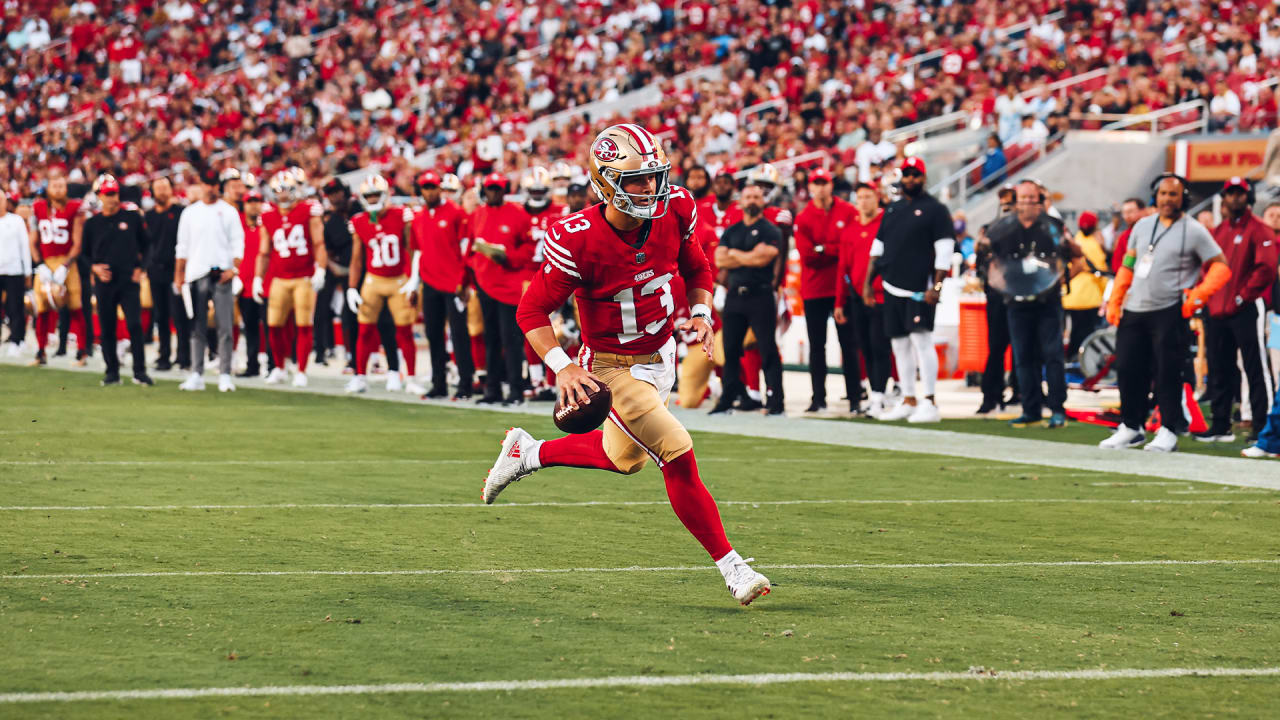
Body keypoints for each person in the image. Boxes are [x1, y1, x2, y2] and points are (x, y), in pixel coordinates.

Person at [487, 123, 772, 606]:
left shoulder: (676, 206)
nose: (650, 187)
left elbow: (697, 265)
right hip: (610, 365)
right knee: (675, 450)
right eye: (636, 179)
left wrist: (702, 312)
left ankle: (528, 453)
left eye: (654, 176)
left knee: (626, 459)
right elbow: (531, 311)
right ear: (605, 183)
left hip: (661, 353)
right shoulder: (576, 237)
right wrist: (563, 367)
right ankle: (733, 567)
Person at [1100, 174, 1231, 452]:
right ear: (1154, 196)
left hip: (1169, 309)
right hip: (1135, 308)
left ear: (1184, 198)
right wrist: (1116, 299)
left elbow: (1220, 266)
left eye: (1173, 194)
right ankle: (1131, 427)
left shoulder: (1194, 230)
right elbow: (1129, 264)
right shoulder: (1142, 225)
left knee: (1167, 371)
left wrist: (1198, 296)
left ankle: (1169, 429)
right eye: (1163, 194)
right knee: (1127, 368)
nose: (1167, 199)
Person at [864, 157, 954, 423]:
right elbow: (878, 247)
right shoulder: (894, 208)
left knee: (922, 342)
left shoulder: (936, 209)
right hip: (892, 286)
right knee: (899, 344)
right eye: (906, 174)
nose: (910, 179)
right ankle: (908, 398)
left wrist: (937, 286)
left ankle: (930, 401)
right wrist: (868, 283)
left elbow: (944, 250)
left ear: (923, 178)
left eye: (915, 174)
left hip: (919, 289)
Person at [983, 180, 1077, 428]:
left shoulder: (1053, 227)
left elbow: (1075, 257)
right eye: (1022, 199)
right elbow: (990, 261)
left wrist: (1058, 280)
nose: (1026, 204)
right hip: (1015, 301)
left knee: (1053, 354)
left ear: (1040, 201)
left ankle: (1057, 408)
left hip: (1048, 300)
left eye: (1031, 199)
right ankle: (1030, 409)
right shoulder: (1002, 228)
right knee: (1023, 357)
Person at [1197, 177, 1277, 443]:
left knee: (1255, 368)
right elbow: (1206, 267)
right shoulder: (1218, 232)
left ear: (1249, 197)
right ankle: (1220, 425)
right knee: (1219, 367)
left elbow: (1266, 268)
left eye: (1239, 193)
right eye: (1230, 194)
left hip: (1247, 309)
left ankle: (1262, 427)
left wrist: (1243, 297)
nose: (1234, 198)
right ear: (1223, 198)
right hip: (1218, 310)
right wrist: (1208, 297)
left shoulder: (1259, 229)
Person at [710, 182, 786, 415]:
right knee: (730, 349)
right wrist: (749, 255)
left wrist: (735, 254)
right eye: (748, 197)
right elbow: (720, 259)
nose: (752, 200)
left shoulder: (770, 230)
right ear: (741, 201)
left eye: (756, 196)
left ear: (763, 201)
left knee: (767, 348)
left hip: (760, 294)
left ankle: (776, 402)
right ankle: (728, 399)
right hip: (735, 295)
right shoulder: (732, 230)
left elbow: (763, 258)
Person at [344, 174, 419, 394]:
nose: (373, 199)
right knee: (365, 330)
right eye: (369, 195)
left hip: (398, 280)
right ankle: (360, 376)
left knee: (404, 331)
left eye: (376, 194)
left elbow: (412, 249)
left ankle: (410, 378)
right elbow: (356, 259)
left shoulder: (401, 215)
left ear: (385, 194)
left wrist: (413, 278)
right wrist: (351, 287)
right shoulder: (359, 221)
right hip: (373, 280)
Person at [256, 169, 328, 388]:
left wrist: (321, 268)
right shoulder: (268, 215)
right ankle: (279, 367)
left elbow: (318, 243)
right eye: (278, 191)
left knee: (304, 325)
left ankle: (301, 370)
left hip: (303, 277)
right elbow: (264, 251)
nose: (283, 195)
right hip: (279, 278)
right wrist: (258, 277)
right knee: (274, 325)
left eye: (286, 190)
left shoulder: (308, 209)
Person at [175, 167, 245, 392]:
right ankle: (196, 373)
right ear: (201, 184)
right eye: (207, 183)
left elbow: (238, 243)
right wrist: (179, 274)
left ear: (218, 186)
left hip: (222, 273)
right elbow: (182, 246)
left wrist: (234, 269)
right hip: (196, 273)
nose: (210, 188)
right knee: (197, 326)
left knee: (225, 326)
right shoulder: (190, 213)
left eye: (214, 184)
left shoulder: (228, 211)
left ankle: (225, 373)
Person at [794, 167, 858, 412]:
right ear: (810, 187)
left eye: (824, 183)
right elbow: (808, 256)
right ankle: (818, 398)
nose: (821, 188)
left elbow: (851, 247)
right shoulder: (804, 217)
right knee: (817, 346)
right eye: (817, 183)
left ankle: (854, 397)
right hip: (815, 289)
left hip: (842, 289)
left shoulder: (848, 211)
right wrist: (835, 249)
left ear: (831, 185)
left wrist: (823, 248)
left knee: (849, 344)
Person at [468, 172, 535, 405]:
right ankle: (493, 390)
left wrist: (507, 257)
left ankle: (515, 391)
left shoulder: (518, 214)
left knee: (511, 341)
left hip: (509, 288)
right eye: (490, 188)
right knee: (491, 340)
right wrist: (475, 271)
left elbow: (528, 250)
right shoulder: (477, 215)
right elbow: (470, 247)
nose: (494, 193)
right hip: (485, 285)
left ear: (504, 190)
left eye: (498, 189)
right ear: (484, 190)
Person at [81, 174, 151, 386]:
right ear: (100, 196)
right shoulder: (92, 223)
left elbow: (147, 245)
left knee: (135, 325)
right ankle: (112, 372)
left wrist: (141, 268)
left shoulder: (132, 217)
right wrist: (94, 268)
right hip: (105, 281)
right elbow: (83, 254)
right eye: (108, 194)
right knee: (107, 328)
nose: (112, 198)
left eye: (114, 193)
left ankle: (140, 371)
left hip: (128, 279)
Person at [411, 170, 473, 399]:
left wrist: (464, 281)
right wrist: (413, 284)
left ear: (440, 188)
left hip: (454, 284)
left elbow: (466, 248)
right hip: (429, 283)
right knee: (433, 334)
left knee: (459, 334)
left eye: (433, 187)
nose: (429, 192)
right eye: (425, 188)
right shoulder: (419, 217)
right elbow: (418, 252)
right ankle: (439, 384)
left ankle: (465, 384)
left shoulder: (456, 213)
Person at [835, 180, 892, 416]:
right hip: (857, 297)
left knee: (880, 346)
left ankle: (880, 394)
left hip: (881, 296)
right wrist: (839, 301)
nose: (864, 201)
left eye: (868, 196)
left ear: (877, 198)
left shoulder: (887, 224)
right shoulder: (850, 229)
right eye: (860, 197)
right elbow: (843, 267)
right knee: (865, 347)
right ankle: (875, 393)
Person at [28, 169, 87, 366]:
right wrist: (40, 265)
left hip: (67, 262)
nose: (59, 189)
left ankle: (81, 352)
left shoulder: (74, 207)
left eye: (62, 186)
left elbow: (77, 243)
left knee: (75, 306)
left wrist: (65, 265)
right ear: (48, 188)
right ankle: (41, 351)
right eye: (55, 186)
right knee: (42, 308)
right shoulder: (37, 208)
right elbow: (33, 241)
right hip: (46, 262)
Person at [520, 167, 569, 400]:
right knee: (531, 330)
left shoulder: (561, 211)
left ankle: (550, 381)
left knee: (557, 330)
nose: (538, 195)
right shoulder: (519, 214)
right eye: (534, 191)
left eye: (541, 190)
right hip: (529, 277)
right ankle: (536, 380)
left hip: (556, 275)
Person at [975, 185, 1020, 414]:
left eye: (1010, 202)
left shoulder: (1026, 229)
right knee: (996, 348)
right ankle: (991, 395)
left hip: (1019, 295)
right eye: (1004, 203)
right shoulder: (989, 230)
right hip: (997, 295)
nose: (1006, 206)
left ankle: (1020, 392)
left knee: (1022, 347)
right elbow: (981, 265)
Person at [143, 176, 189, 371]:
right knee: (160, 315)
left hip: (176, 270)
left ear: (171, 189)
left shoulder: (181, 213)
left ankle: (184, 357)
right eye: (158, 188)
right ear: (152, 192)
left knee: (179, 315)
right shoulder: (148, 216)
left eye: (165, 187)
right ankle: (164, 356)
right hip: (155, 271)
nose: (162, 191)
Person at [1062, 210, 1108, 361]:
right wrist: (1106, 295)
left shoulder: (1074, 241)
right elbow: (1101, 273)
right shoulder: (1093, 245)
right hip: (1089, 297)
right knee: (1086, 335)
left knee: (1073, 331)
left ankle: (1070, 361)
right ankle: (1081, 362)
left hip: (1070, 296)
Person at [236, 185, 270, 377]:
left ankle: (274, 365)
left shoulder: (267, 224)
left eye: (257, 201)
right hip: (244, 285)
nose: (254, 205)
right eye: (250, 202)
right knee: (249, 327)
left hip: (266, 284)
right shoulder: (237, 224)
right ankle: (252, 365)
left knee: (270, 326)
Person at [0, 191, 32, 355]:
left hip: (14, 271)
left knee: (15, 307)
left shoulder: (16, 220)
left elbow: (24, 246)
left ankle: (17, 340)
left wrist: (27, 272)